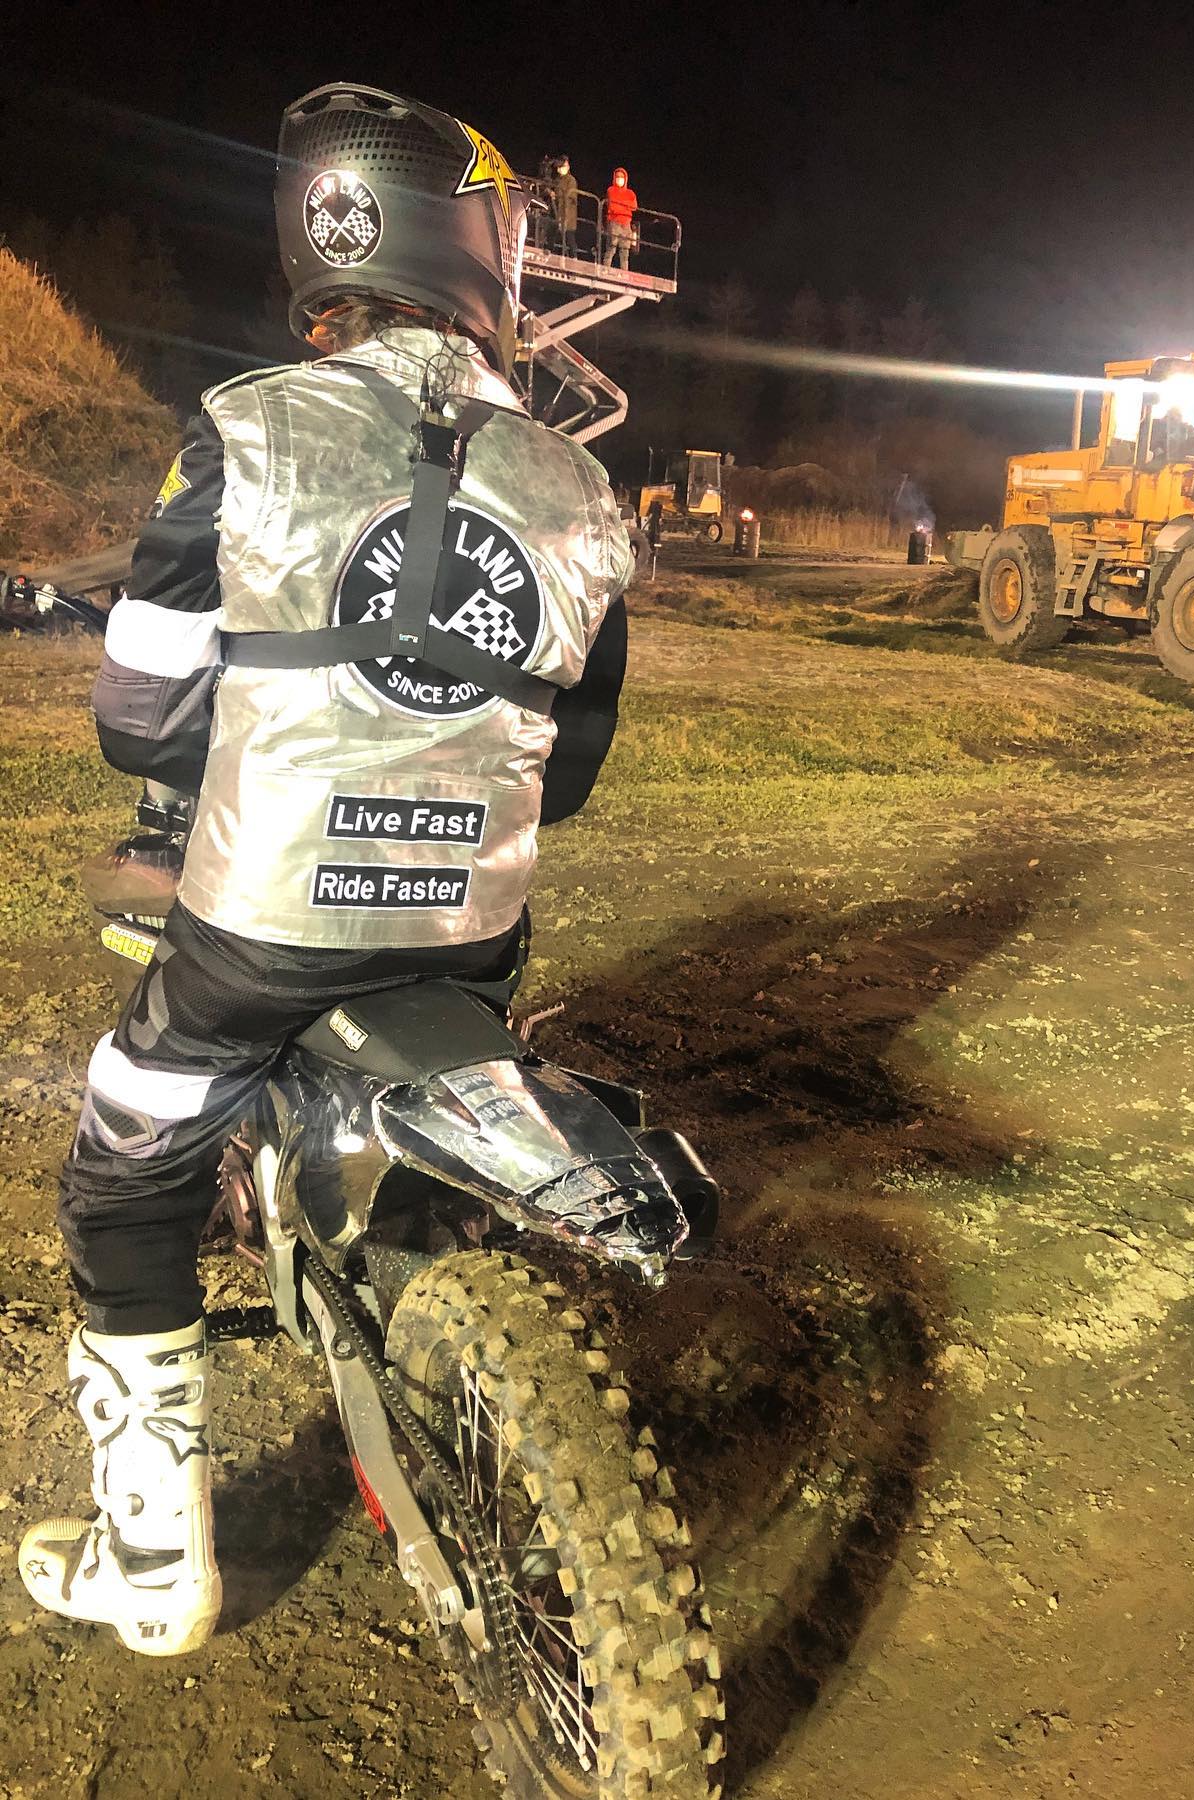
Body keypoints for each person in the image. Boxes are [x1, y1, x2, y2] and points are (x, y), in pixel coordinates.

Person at [17, 82, 632, 1658]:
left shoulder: (241, 430)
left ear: (319, 255)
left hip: (258, 934)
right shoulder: (578, 490)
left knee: (124, 1155)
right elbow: (568, 766)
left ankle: (156, 1564)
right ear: (486, 261)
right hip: (471, 936)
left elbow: (142, 716)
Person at [602, 166, 638, 271]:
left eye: (622, 177)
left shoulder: (630, 193)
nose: (619, 179)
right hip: (614, 223)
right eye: (617, 177)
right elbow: (613, 206)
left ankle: (624, 273)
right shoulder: (611, 190)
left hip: (626, 224)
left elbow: (634, 206)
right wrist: (625, 206)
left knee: (625, 252)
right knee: (611, 248)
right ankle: (605, 270)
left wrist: (622, 205)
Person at [548, 153, 579, 258]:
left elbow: (570, 197)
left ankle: (574, 258)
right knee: (551, 235)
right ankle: (548, 254)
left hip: (568, 214)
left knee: (569, 238)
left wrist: (557, 195)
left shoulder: (571, 180)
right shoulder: (557, 180)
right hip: (557, 213)